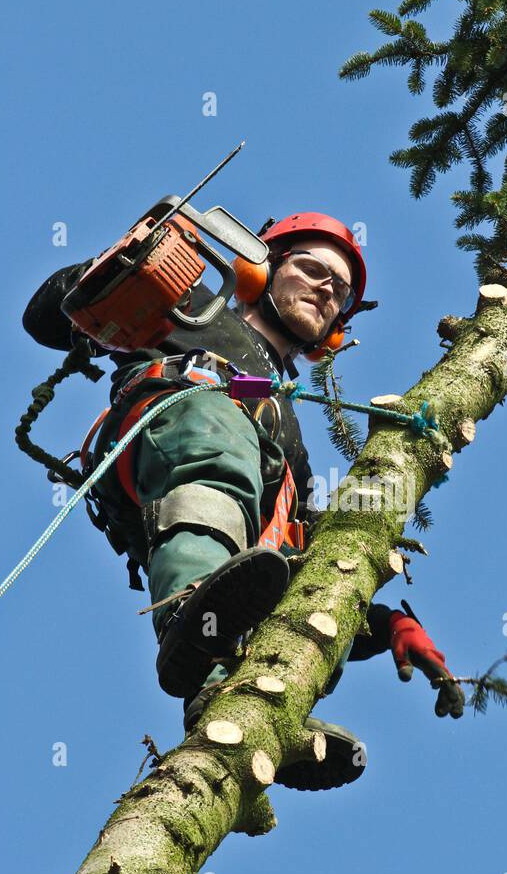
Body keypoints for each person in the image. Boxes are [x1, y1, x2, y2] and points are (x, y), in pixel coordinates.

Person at [23, 211, 463, 790]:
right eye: (311, 268)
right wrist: (128, 263)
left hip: (229, 516)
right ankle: (190, 612)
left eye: (342, 290)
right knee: (219, 432)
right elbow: (45, 315)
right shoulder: (193, 308)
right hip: (173, 427)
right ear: (260, 271)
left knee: (279, 562)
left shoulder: (291, 443)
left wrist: (384, 625)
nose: (327, 288)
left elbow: (304, 569)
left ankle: (252, 714)